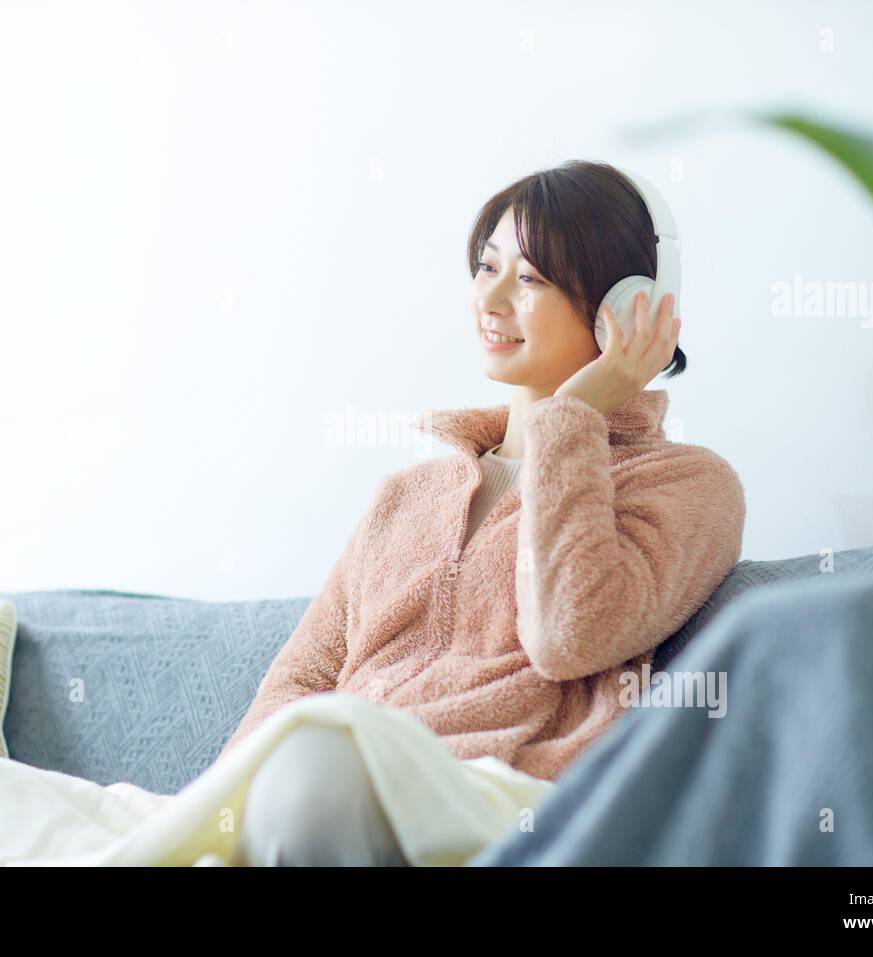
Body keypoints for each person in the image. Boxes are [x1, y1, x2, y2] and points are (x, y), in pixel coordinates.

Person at [222, 160, 746, 866]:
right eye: (486, 267)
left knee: (318, 766)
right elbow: (298, 682)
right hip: (328, 795)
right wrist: (217, 819)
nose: (491, 299)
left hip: (502, 804)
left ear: (623, 307)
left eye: (529, 279)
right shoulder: (403, 497)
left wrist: (574, 416)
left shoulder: (686, 483)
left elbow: (569, 633)